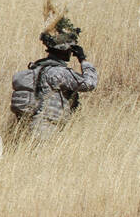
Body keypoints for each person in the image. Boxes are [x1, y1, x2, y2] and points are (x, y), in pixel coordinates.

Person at [10, 9, 98, 139]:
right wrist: (83, 59)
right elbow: (90, 83)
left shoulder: (32, 71)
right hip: (47, 131)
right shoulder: (59, 73)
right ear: (64, 50)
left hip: (25, 131)